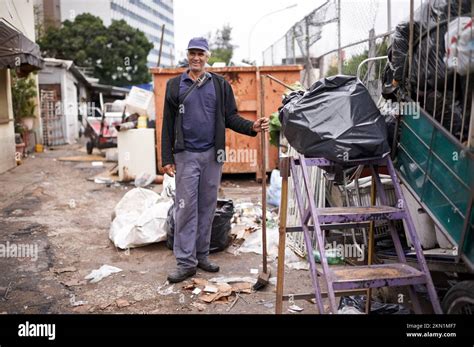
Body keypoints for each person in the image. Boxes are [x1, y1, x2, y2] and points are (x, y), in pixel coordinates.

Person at [161, 37, 269, 283]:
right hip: (185, 155)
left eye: (201, 53)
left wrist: (251, 126)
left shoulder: (220, 85)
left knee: (207, 207)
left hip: (212, 155)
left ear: (207, 56)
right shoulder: (174, 85)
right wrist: (167, 157)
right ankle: (185, 262)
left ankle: (201, 255)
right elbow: (167, 123)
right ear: (187, 56)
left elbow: (230, 117)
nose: (196, 58)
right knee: (186, 208)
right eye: (192, 53)